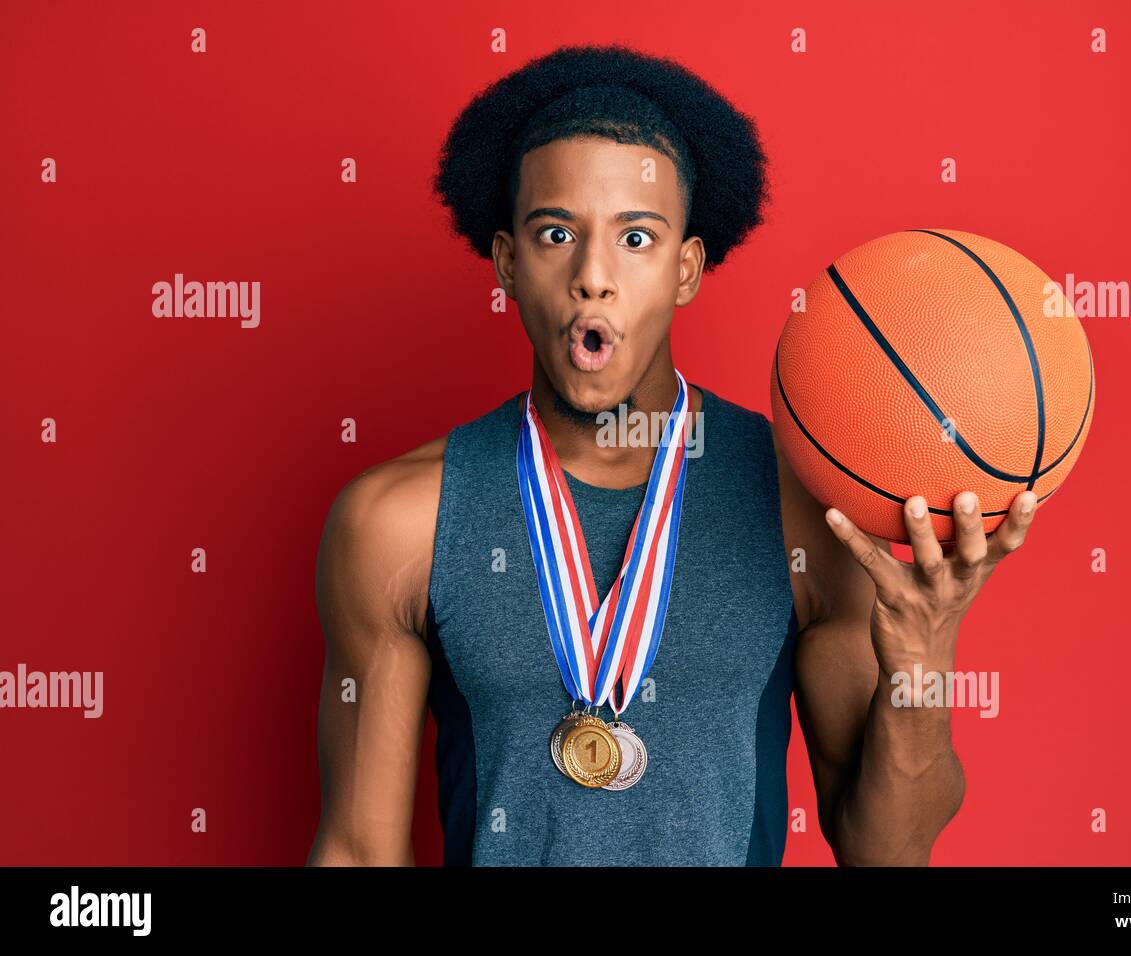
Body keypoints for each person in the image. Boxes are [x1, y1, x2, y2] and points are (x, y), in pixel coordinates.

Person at [306, 43, 1037, 867]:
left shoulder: (796, 502)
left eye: (636, 238)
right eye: (556, 233)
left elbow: (886, 852)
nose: (593, 277)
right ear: (509, 261)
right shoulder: (398, 522)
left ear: (686, 269)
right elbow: (358, 852)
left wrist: (925, 652)